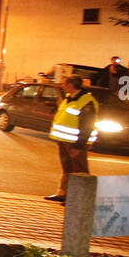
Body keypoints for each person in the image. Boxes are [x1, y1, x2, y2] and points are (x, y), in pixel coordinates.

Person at [44, 74, 97, 203]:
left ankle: (80, 199)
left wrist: (78, 146)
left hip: (75, 142)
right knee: (67, 168)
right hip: (64, 140)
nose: (62, 86)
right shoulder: (69, 98)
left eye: (64, 83)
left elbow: (87, 126)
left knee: (80, 170)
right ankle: (63, 193)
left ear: (71, 85)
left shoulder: (86, 101)